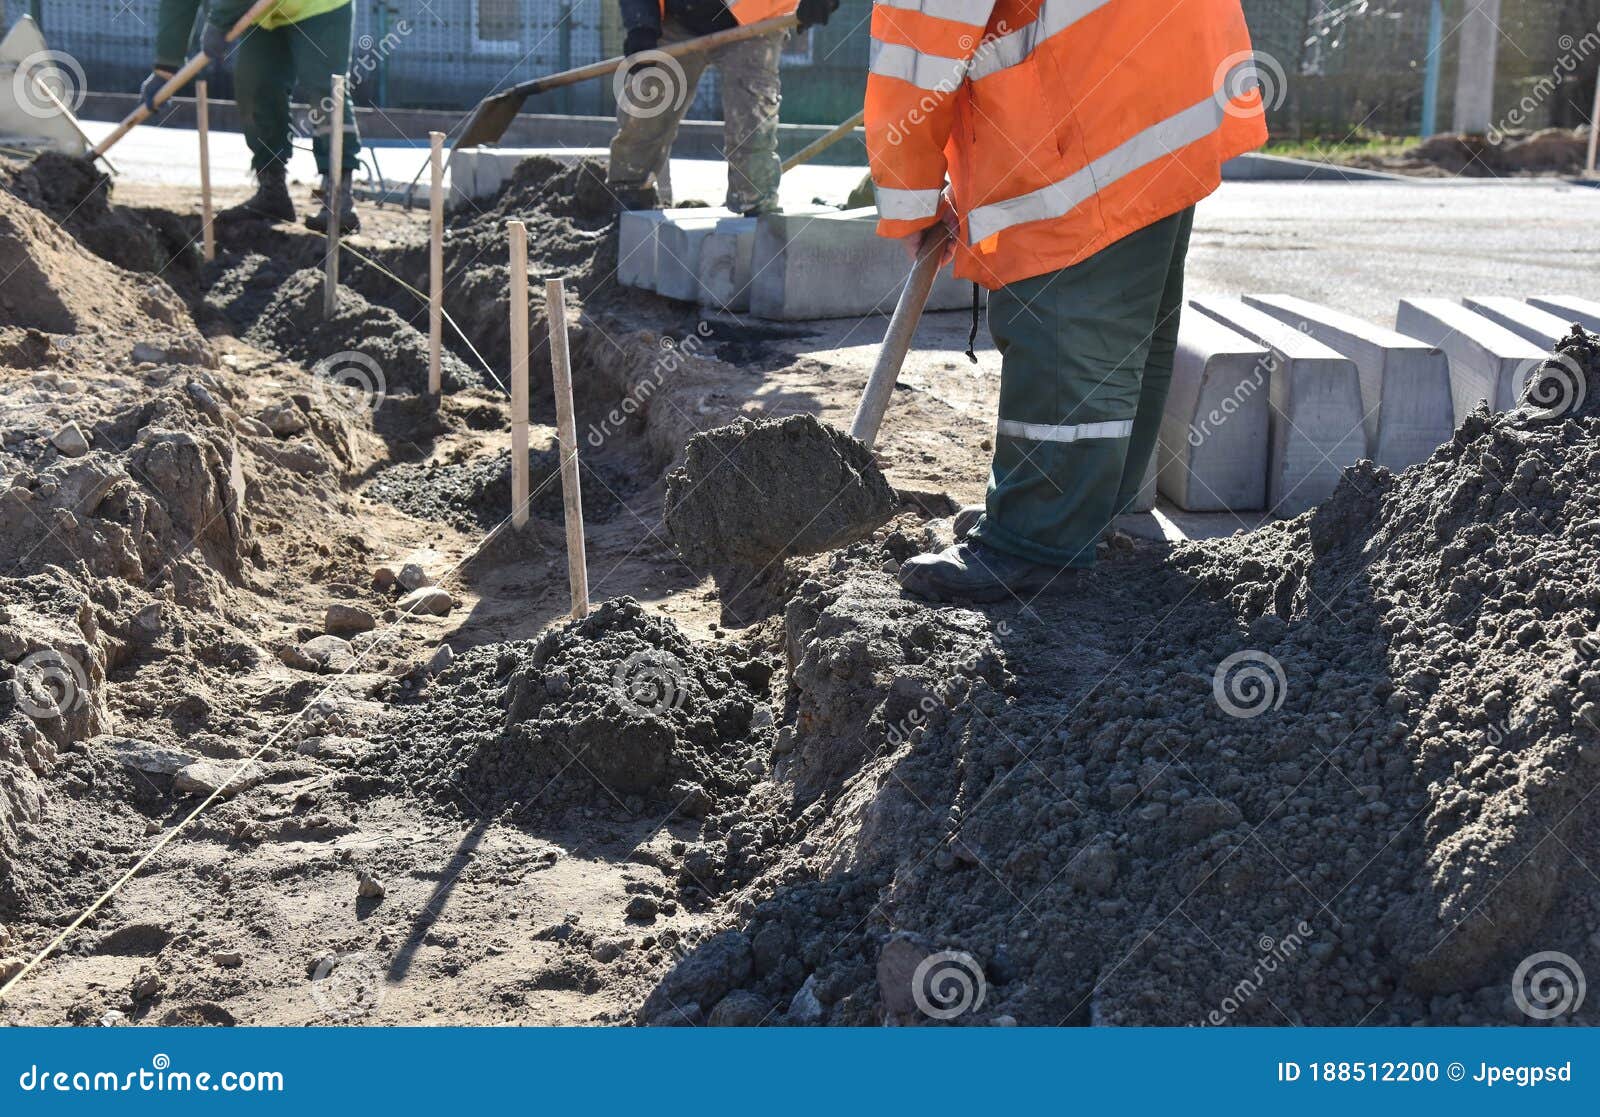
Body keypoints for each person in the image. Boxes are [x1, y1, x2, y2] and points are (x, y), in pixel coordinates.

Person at [866, 0, 1268, 602]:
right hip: (1166, 72)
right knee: (1131, 321)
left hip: (1088, 105)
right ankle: (1091, 508)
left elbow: (921, 49)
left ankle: (1035, 537)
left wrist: (911, 204)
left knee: (1063, 320)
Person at [141, 0, 361, 233]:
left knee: (323, 89)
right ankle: (272, 191)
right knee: (255, 88)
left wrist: (219, 21)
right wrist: (166, 66)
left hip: (319, 6)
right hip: (265, 13)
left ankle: (339, 196)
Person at [609, 0, 839, 214]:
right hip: (678, 18)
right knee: (649, 102)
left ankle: (754, 205)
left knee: (751, 116)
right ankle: (629, 193)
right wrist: (641, 25)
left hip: (755, 20)